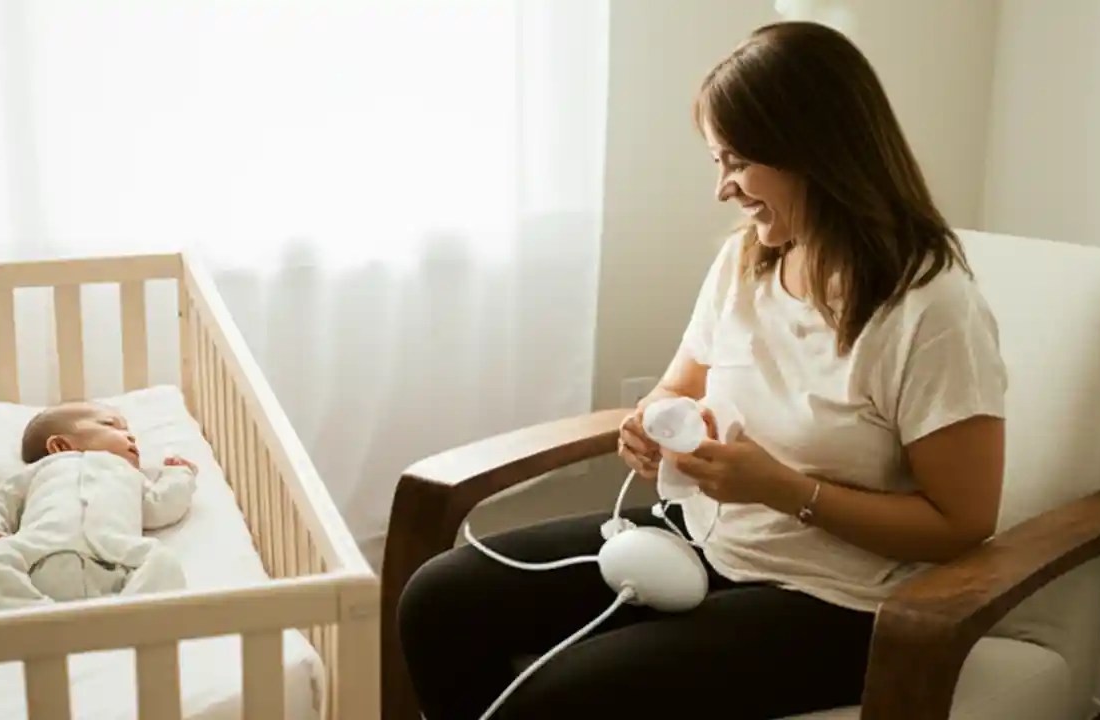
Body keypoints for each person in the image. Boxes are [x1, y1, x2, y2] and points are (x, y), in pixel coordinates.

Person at [398, 20, 1006, 719]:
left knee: (555, 703)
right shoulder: (749, 261)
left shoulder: (930, 310)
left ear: (814, 153)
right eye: (718, 162)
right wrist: (648, 426)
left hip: (835, 602)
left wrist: (784, 490)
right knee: (440, 601)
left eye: (738, 163)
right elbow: (679, 387)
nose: (723, 188)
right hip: (702, 537)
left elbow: (961, 523)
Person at [0, 402, 198, 610]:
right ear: (60, 445)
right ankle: (38, 619)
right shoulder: (37, 472)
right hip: (39, 555)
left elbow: (162, 504)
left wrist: (178, 474)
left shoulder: (130, 476)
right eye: (112, 425)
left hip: (118, 560)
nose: (131, 437)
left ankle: (121, 618)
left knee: (163, 562)